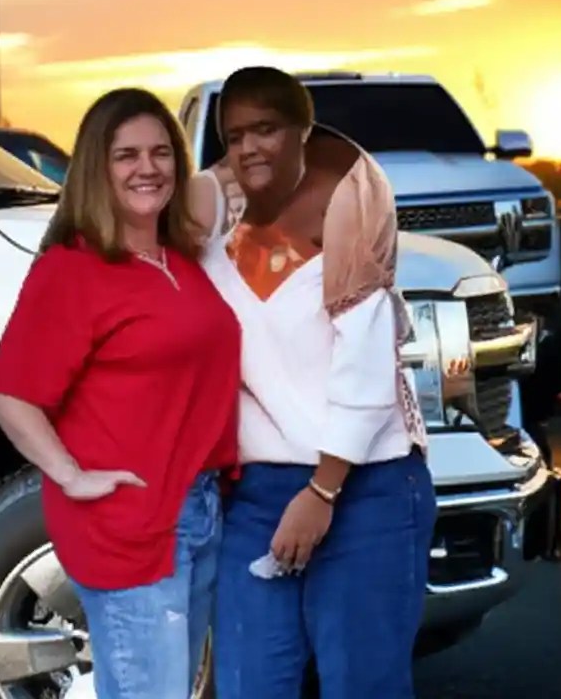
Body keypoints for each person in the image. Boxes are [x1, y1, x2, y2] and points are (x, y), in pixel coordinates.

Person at [0, 87, 241, 699]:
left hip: (199, 510)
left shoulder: (178, 256)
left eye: (160, 152)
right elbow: (9, 393)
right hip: (129, 523)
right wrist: (70, 475)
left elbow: (227, 178)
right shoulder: (73, 270)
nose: (147, 168)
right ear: (97, 167)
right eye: (126, 155)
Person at [188, 66, 438, 698]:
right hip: (259, 494)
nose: (249, 147)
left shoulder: (349, 212)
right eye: (235, 134)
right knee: (250, 684)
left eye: (266, 129)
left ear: (303, 131)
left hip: (365, 489)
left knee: (364, 685)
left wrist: (322, 493)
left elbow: (367, 368)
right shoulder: (218, 228)